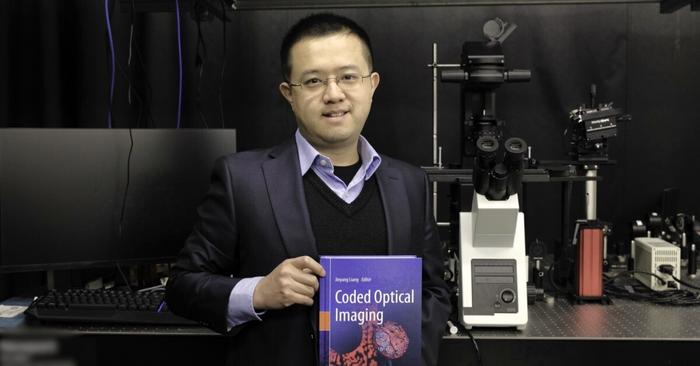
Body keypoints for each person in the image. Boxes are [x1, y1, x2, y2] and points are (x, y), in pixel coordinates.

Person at [165, 12, 451, 366]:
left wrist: (410, 351)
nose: (334, 94)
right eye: (313, 81)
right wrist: (258, 292)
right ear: (289, 93)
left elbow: (434, 291)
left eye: (348, 77)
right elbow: (181, 287)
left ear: (372, 84)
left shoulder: (410, 184)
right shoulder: (242, 180)